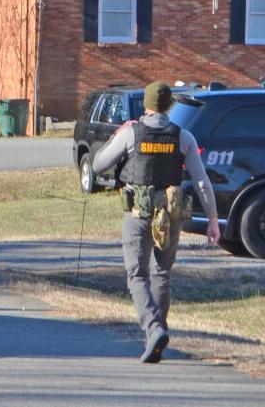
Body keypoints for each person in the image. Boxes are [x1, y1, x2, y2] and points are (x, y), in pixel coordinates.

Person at [91, 81, 220, 364]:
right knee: (161, 273)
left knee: (137, 274)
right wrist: (212, 219)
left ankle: (153, 329)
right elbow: (201, 181)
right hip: (170, 214)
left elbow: (98, 164)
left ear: (147, 105)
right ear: (169, 107)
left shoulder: (131, 133)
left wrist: (117, 137)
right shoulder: (182, 136)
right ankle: (157, 337)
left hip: (138, 212)